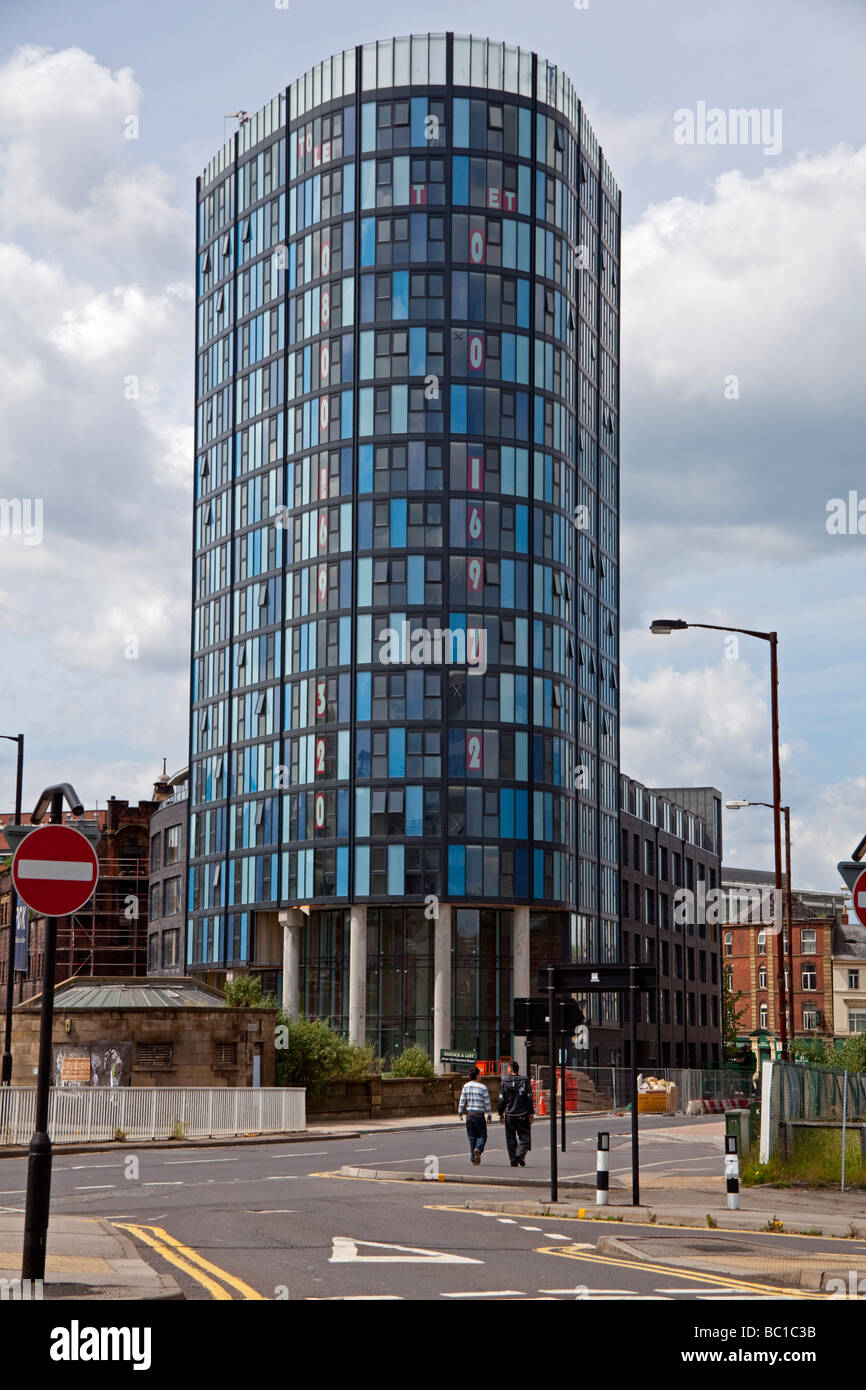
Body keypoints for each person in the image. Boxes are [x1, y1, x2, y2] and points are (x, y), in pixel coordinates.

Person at [498, 1060, 534, 1166]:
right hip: (522, 1113)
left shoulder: (504, 1082)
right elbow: (529, 1097)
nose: (507, 1070)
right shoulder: (524, 1081)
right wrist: (531, 1112)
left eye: (508, 1068)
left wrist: (501, 1113)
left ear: (511, 1068)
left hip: (509, 1114)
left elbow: (501, 1099)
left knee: (510, 1138)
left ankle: (513, 1160)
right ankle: (520, 1153)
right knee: (525, 1135)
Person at [457, 1066, 492, 1165]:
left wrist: (460, 1112)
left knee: (472, 1137)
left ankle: (473, 1158)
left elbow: (462, 1100)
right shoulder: (483, 1087)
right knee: (482, 1136)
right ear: (477, 1075)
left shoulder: (465, 1086)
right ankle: (478, 1148)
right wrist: (489, 1114)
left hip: (470, 1115)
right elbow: (487, 1102)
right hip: (479, 1115)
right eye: (480, 1074)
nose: (480, 1076)